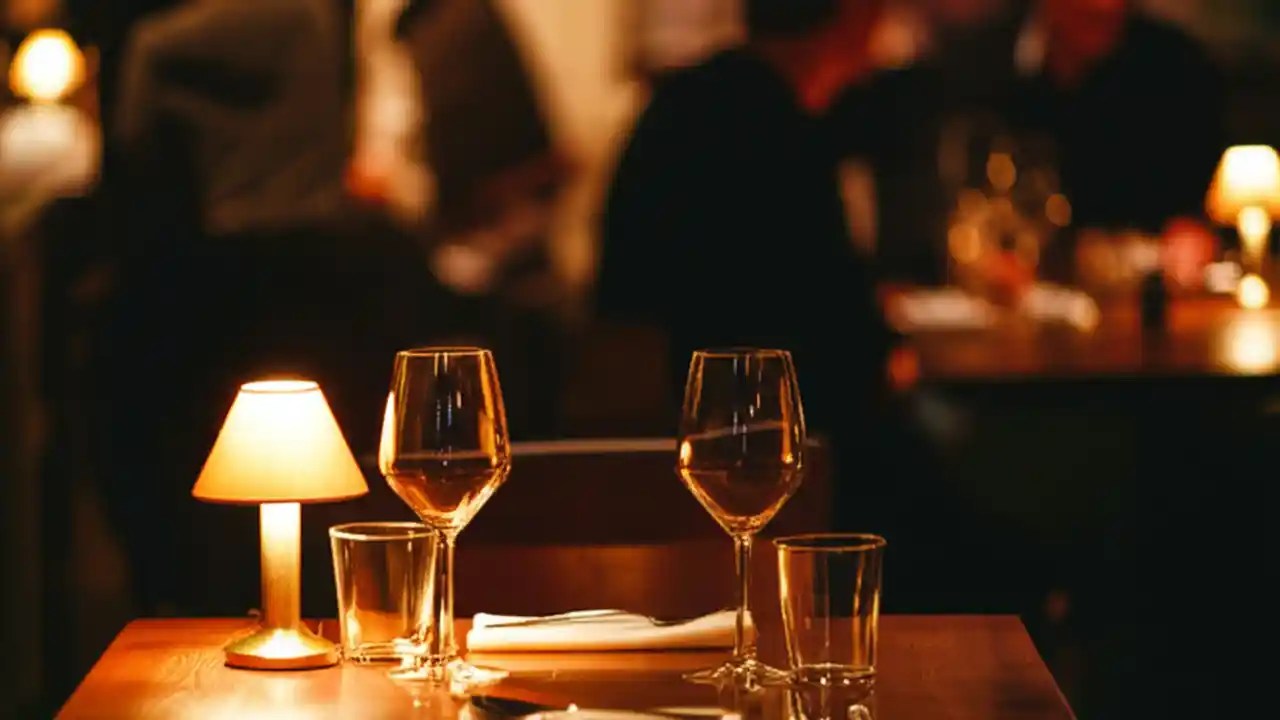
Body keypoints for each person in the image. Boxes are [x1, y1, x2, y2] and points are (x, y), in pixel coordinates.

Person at [597, 0, 894, 443]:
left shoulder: (685, 103)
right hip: (765, 440)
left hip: (664, 436)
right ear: (855, 18)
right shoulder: (776, 132)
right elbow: (837, 333)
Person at [1012, 0, 1225, 233]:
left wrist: (1193, 228)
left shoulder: (1177, 68)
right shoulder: (990, 59)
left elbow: (1200, 204)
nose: (1106, 6)